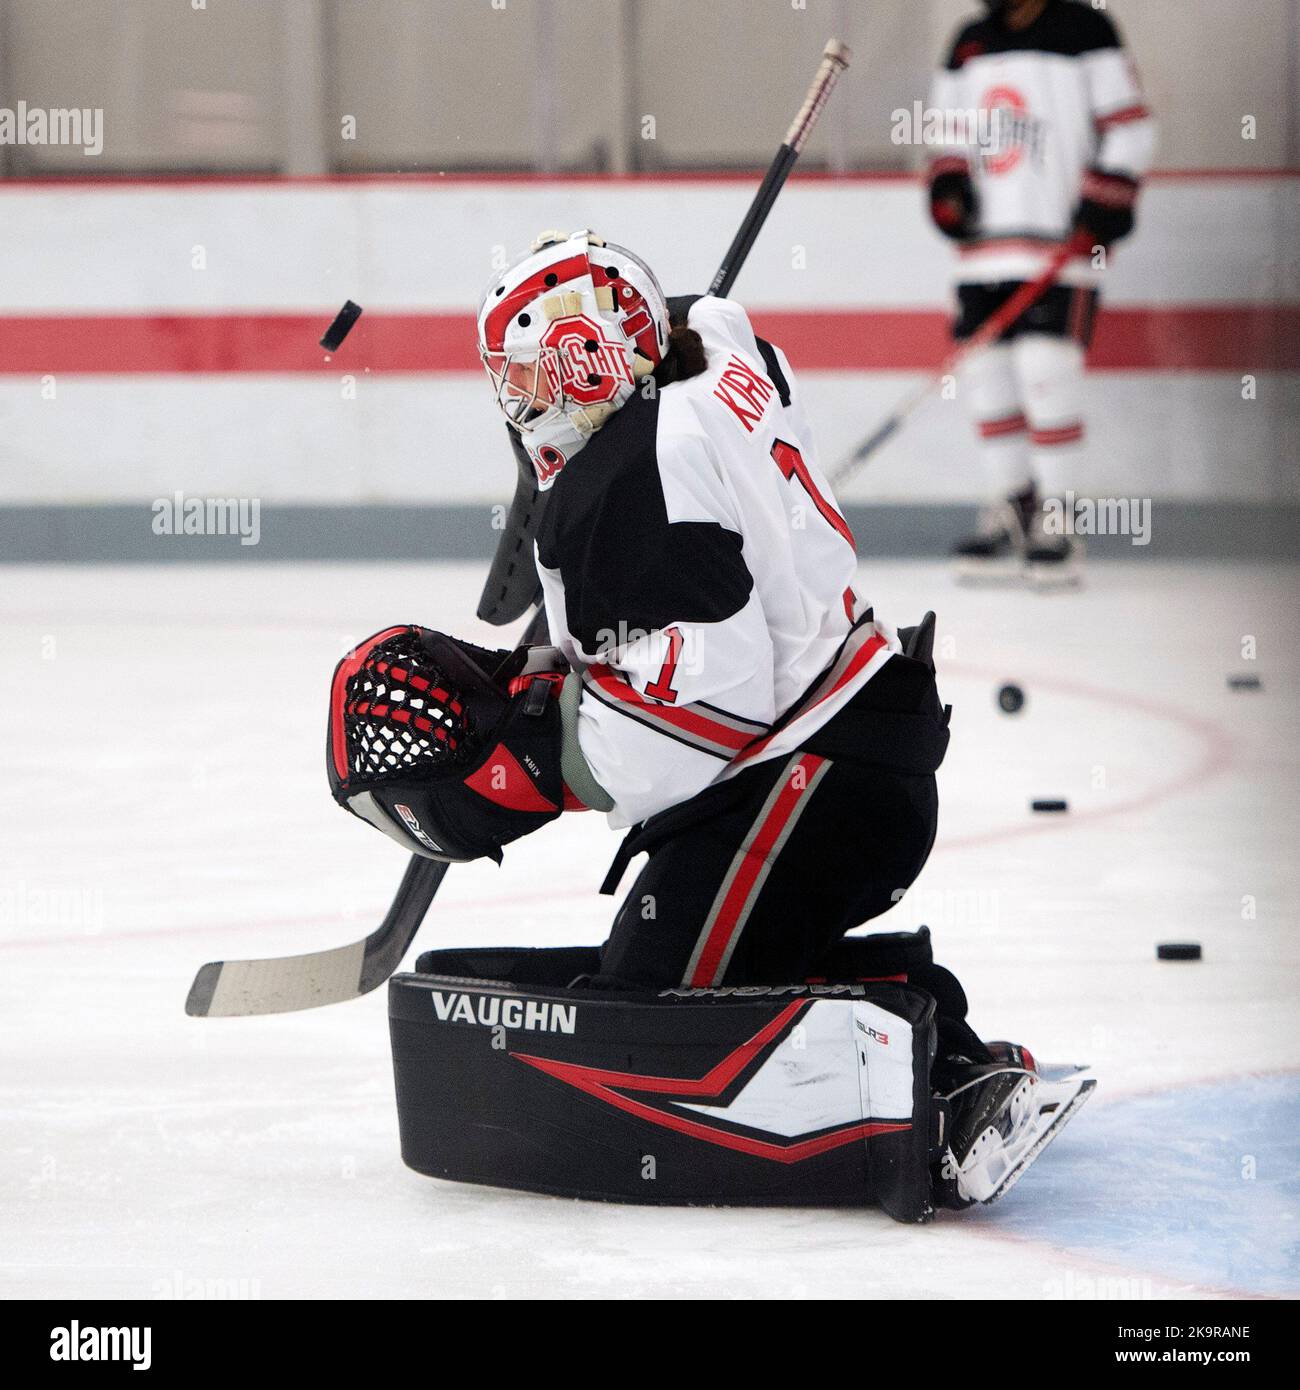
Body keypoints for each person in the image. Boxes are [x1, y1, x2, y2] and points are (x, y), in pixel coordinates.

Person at [328, 228, 1087, 1206]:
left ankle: (942, 1094)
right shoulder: (718, 365)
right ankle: (944, 1042)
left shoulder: (626, 479)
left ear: (586, 361)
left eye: (528, 376)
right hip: (842, 755)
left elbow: (700, 714)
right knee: (676, 971)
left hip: (806, 782)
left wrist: (545, 761)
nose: (518, 406)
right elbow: (715, 334)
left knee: (648, 1018)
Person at [927, 0, 1155, 584]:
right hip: (983, 252)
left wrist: (1100, 210)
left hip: (1057, 246)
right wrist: (949, 189)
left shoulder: (1085, 29)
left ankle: (1058, 519)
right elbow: (946, 133)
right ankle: (1013, 511)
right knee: (988, 381)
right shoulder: (969, 41)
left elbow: (1130, 128)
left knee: (1045, 371)